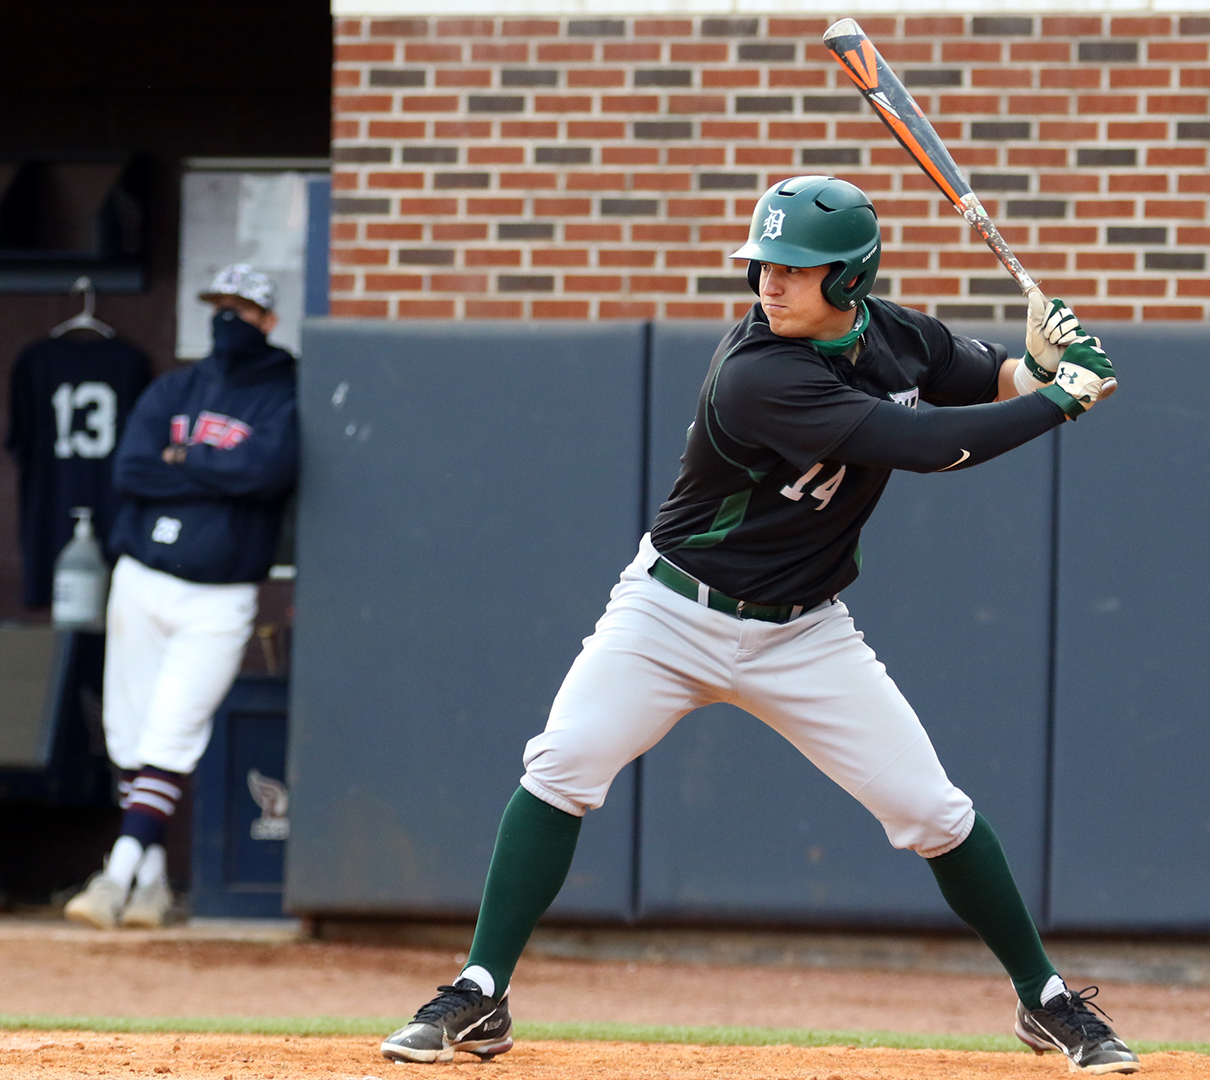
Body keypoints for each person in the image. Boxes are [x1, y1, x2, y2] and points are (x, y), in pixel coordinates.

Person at [379, 175, 1138, 1073]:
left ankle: (1046, 1000)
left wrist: (1043, 364)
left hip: (804, 632)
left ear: (849, 283)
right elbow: (935, 447)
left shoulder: (901, 335)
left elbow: (991, 380)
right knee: (563, 764)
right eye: (762, 265)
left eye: (792, 268)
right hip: (670, 612)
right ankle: (480, 990)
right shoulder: (757, 372)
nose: (766, 284)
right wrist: (1065, 398)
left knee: (933, 812)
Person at [62, 264, 300, 930]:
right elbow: (132, 467)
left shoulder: (283, 393)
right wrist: (214, 474)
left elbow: (266, 471)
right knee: (130, 734)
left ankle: (115, 875)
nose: (228, 317)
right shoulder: (176, 387)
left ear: (268, 321)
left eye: (243, 308)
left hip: (218, 596)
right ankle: (152, 882)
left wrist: (184, 464)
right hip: (141, 578)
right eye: (218, 304)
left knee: (173, 731)